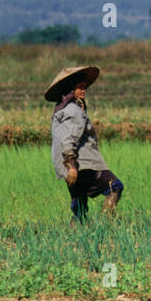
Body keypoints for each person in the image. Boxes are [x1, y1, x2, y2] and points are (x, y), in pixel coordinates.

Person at [48, 65, 123, 222]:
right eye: (80, 88)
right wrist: (72, 166)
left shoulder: (59, 112)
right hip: (83, 165)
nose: (84, 91)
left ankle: (74, 239)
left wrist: (68, 167)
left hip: (68, 167)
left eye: (84, 87)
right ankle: (105, 225)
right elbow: (69, 139)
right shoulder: (74, 111)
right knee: (114, 186)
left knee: (80, 206)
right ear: (70, 90)